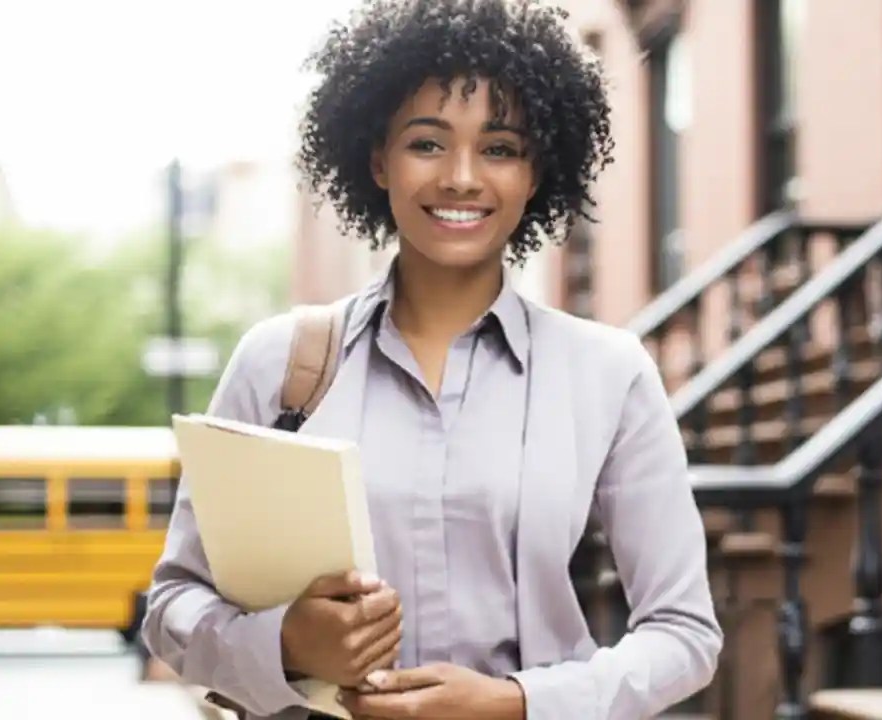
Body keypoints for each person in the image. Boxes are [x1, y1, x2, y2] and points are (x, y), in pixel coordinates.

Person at [140, 1, 723, 719]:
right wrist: (287, 642)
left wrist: (517, 703)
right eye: (427, 143)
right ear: (379, 159)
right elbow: (173, 605)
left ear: (536, 172)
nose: (462, 177)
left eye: (500, 148)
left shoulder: (608, 375)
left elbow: (684, 634)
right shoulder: (279, 363)